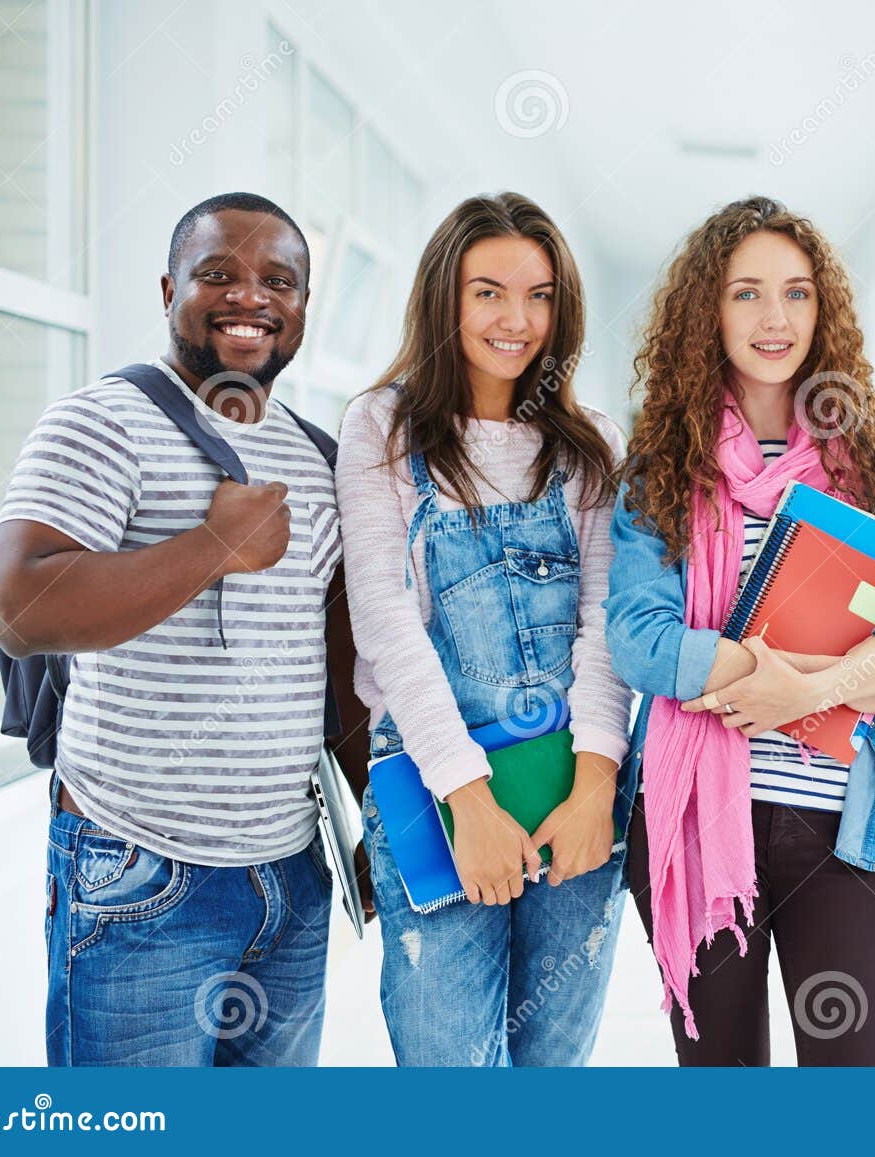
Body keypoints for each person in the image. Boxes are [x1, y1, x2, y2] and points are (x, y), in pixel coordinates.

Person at [0, 192, 368, 1066]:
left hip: (290, 877)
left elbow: (339, 673)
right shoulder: (99, 421)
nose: (250, 298)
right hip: (137, 873)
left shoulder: (320, 456)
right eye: (218, 275)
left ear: (303, 305)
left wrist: (372, 831)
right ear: (169, 289)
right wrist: (213, 545)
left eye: (279, 280)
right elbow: (19, 609)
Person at [605, 195, 875, 1066]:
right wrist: (754, 671)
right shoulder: (661, 475)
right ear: (707, 312)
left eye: (798, 293)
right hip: (694, 823)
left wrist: (815, 689)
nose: (776, 318)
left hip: (846, 821)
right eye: (747, 294)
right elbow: (635, 636)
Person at [335, 192, 631, 1067]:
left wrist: (592, 790)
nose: (517, 319)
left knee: (551, 1071)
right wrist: (469, 800)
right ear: (444, 299)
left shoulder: (590, 446)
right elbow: (387, 625)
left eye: (540, 295)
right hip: (436, 795)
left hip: (576, 798)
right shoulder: (381, 429)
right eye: (489, 292)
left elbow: (604, 629)